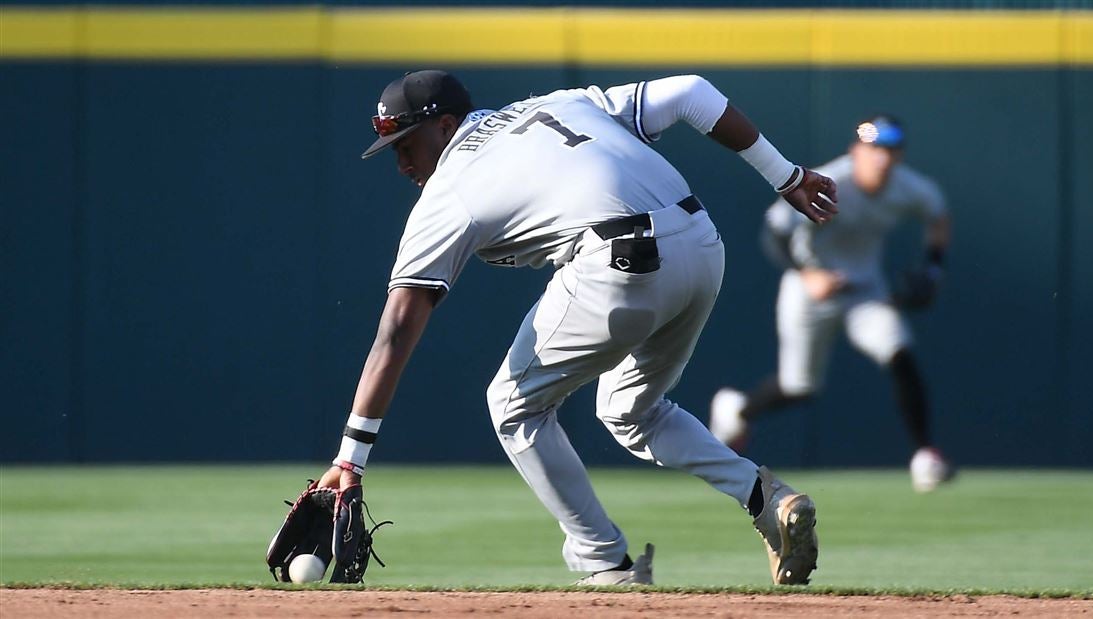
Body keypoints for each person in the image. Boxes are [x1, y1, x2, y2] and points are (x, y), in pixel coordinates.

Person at [310, 70, 838, 585]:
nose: (402, 163)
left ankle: (604, 562)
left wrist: (351, 458)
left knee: (512, 406)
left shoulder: (450, 187)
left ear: (446, 126)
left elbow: (397, 327)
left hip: (622, 263)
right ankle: (763, 498)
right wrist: (788, 177)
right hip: (702, 246)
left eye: (407, 144)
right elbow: (691, 92)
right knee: (629, 410)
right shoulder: (558, 103)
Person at [709, 115, 954, 493]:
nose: (881, 158)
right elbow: (775, 231)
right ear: (856, 150)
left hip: (864, 292)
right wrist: (808, 274)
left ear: (899, 154)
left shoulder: (908, 187)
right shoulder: (831, 181)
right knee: (799, 387)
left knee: (899, 352)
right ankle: (737, 409)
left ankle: (925, 455)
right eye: (873, 148)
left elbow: (938, 215)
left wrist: (934, 267)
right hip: (809, 290)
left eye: (890, 149)